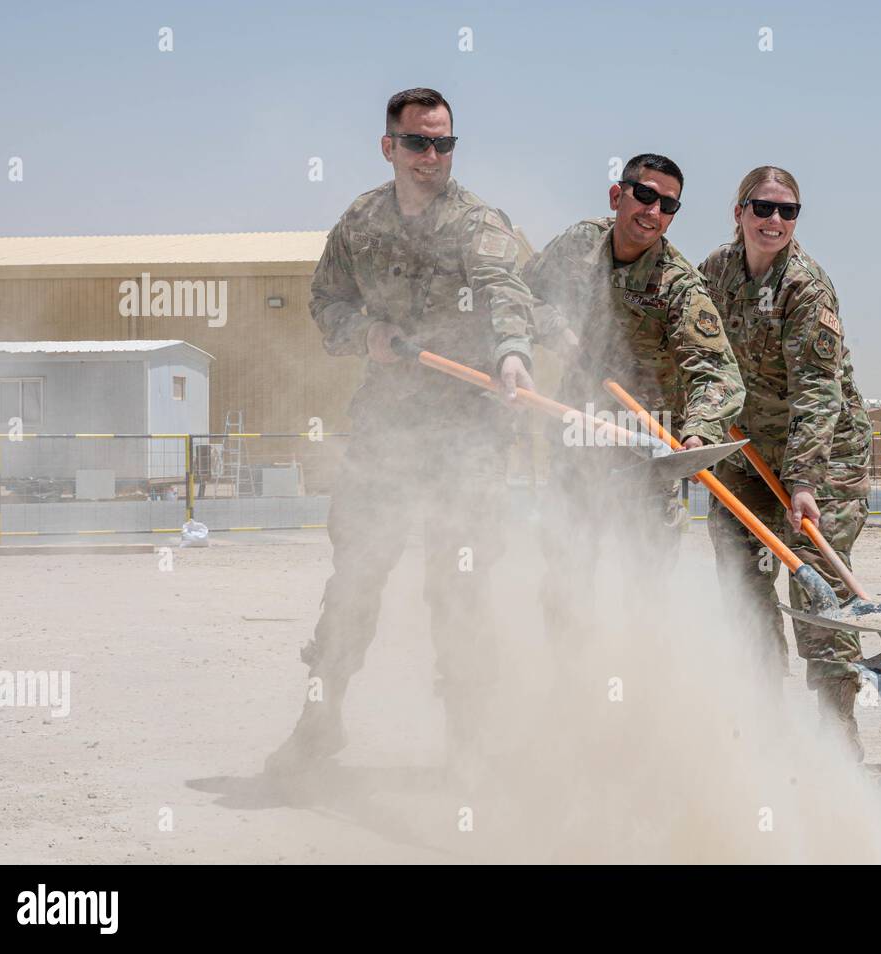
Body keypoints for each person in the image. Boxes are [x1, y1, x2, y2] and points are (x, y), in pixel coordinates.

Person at [265, 87, 538, 773]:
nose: (432, 156)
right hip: (386, 433)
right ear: (389, 146)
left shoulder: (477, 223)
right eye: (418, 142)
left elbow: (508, 292)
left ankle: (469, 746)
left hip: (467, 438)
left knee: (460, 590)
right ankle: (319, 724)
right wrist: (367, 334)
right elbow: (325, 301)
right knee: (353, 579)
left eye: (443, 143)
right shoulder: (359, 223)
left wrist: (512, 355)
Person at [521, 153, 745, 654]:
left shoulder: (678, 284)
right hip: (577, 438)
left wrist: (700, 432)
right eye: (645, 195)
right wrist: (553, 327)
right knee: (565, 575)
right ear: (617, 196)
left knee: (645, 585)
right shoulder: (578, 243)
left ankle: (640, 697)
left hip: (646, 452)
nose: (653, 211)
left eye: (668, 205)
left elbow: (717, 372)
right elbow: (521, 294)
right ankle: (567, 686)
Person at [698, 166, 873, 760]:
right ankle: (763, 735)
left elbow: (817, 391)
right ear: (739, 211)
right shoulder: (715, 273)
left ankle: (835, 747)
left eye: (788, 211)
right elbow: (693, 351)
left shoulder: (806, 287)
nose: (774, 221)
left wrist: (802, 481)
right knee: (742, 588)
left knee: (818, 593)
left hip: (825, 458)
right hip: (746, 452)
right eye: (762, 208)